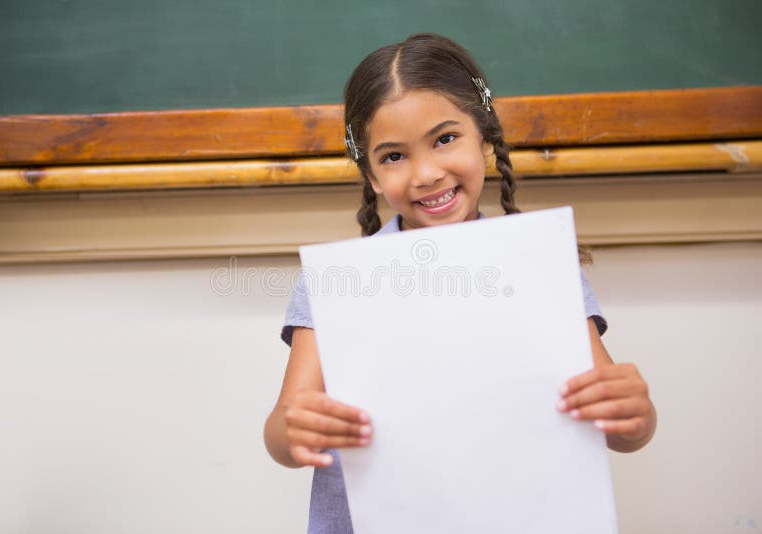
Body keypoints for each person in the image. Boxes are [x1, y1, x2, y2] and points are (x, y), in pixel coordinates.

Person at [264, 33, 656, 533]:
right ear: (370, 175)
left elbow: (621, 432)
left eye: (445, 139)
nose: (426, 173)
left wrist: (637, 415)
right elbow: (281, 433)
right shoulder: (338, 285)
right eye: (393, 156)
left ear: (485, 137)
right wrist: (296, 429)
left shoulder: (541, 266)